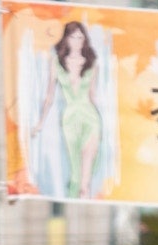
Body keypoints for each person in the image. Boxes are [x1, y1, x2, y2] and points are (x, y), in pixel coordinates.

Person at [33, 21, 101, 198]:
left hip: (90, 118)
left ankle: (84, 196)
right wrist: (40, 124)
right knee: (76, 174)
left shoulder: (92, 63)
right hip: (70, 119)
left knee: (86, 179)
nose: (77, 41)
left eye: (80, 37)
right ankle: (75, 200)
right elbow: (49, 96)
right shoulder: (56, 62)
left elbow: (93, 95)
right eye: (73, 37)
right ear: (66, 39)